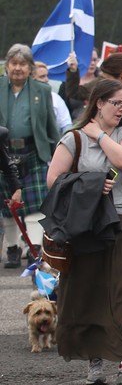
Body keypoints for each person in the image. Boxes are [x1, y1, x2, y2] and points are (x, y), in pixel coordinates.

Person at [47, 79, 122, 385]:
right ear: (98, 103)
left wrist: (98, 133)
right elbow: (53, 181)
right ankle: (100, 359)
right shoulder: (73, 138)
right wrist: (91, 185)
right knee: (89, 292)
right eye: (116, 103)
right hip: (88, 226)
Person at [4, 45, 63, 269]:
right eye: (13, 63)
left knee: (35, 204)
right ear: (7, 67)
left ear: (30, 68)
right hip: (4, 152)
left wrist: (56, 152)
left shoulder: (42, 90)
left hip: (33, 151)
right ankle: (11, 249)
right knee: (7, 204)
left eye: (22, 64)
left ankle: (34, 248)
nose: (17, 68)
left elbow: (50, 124)